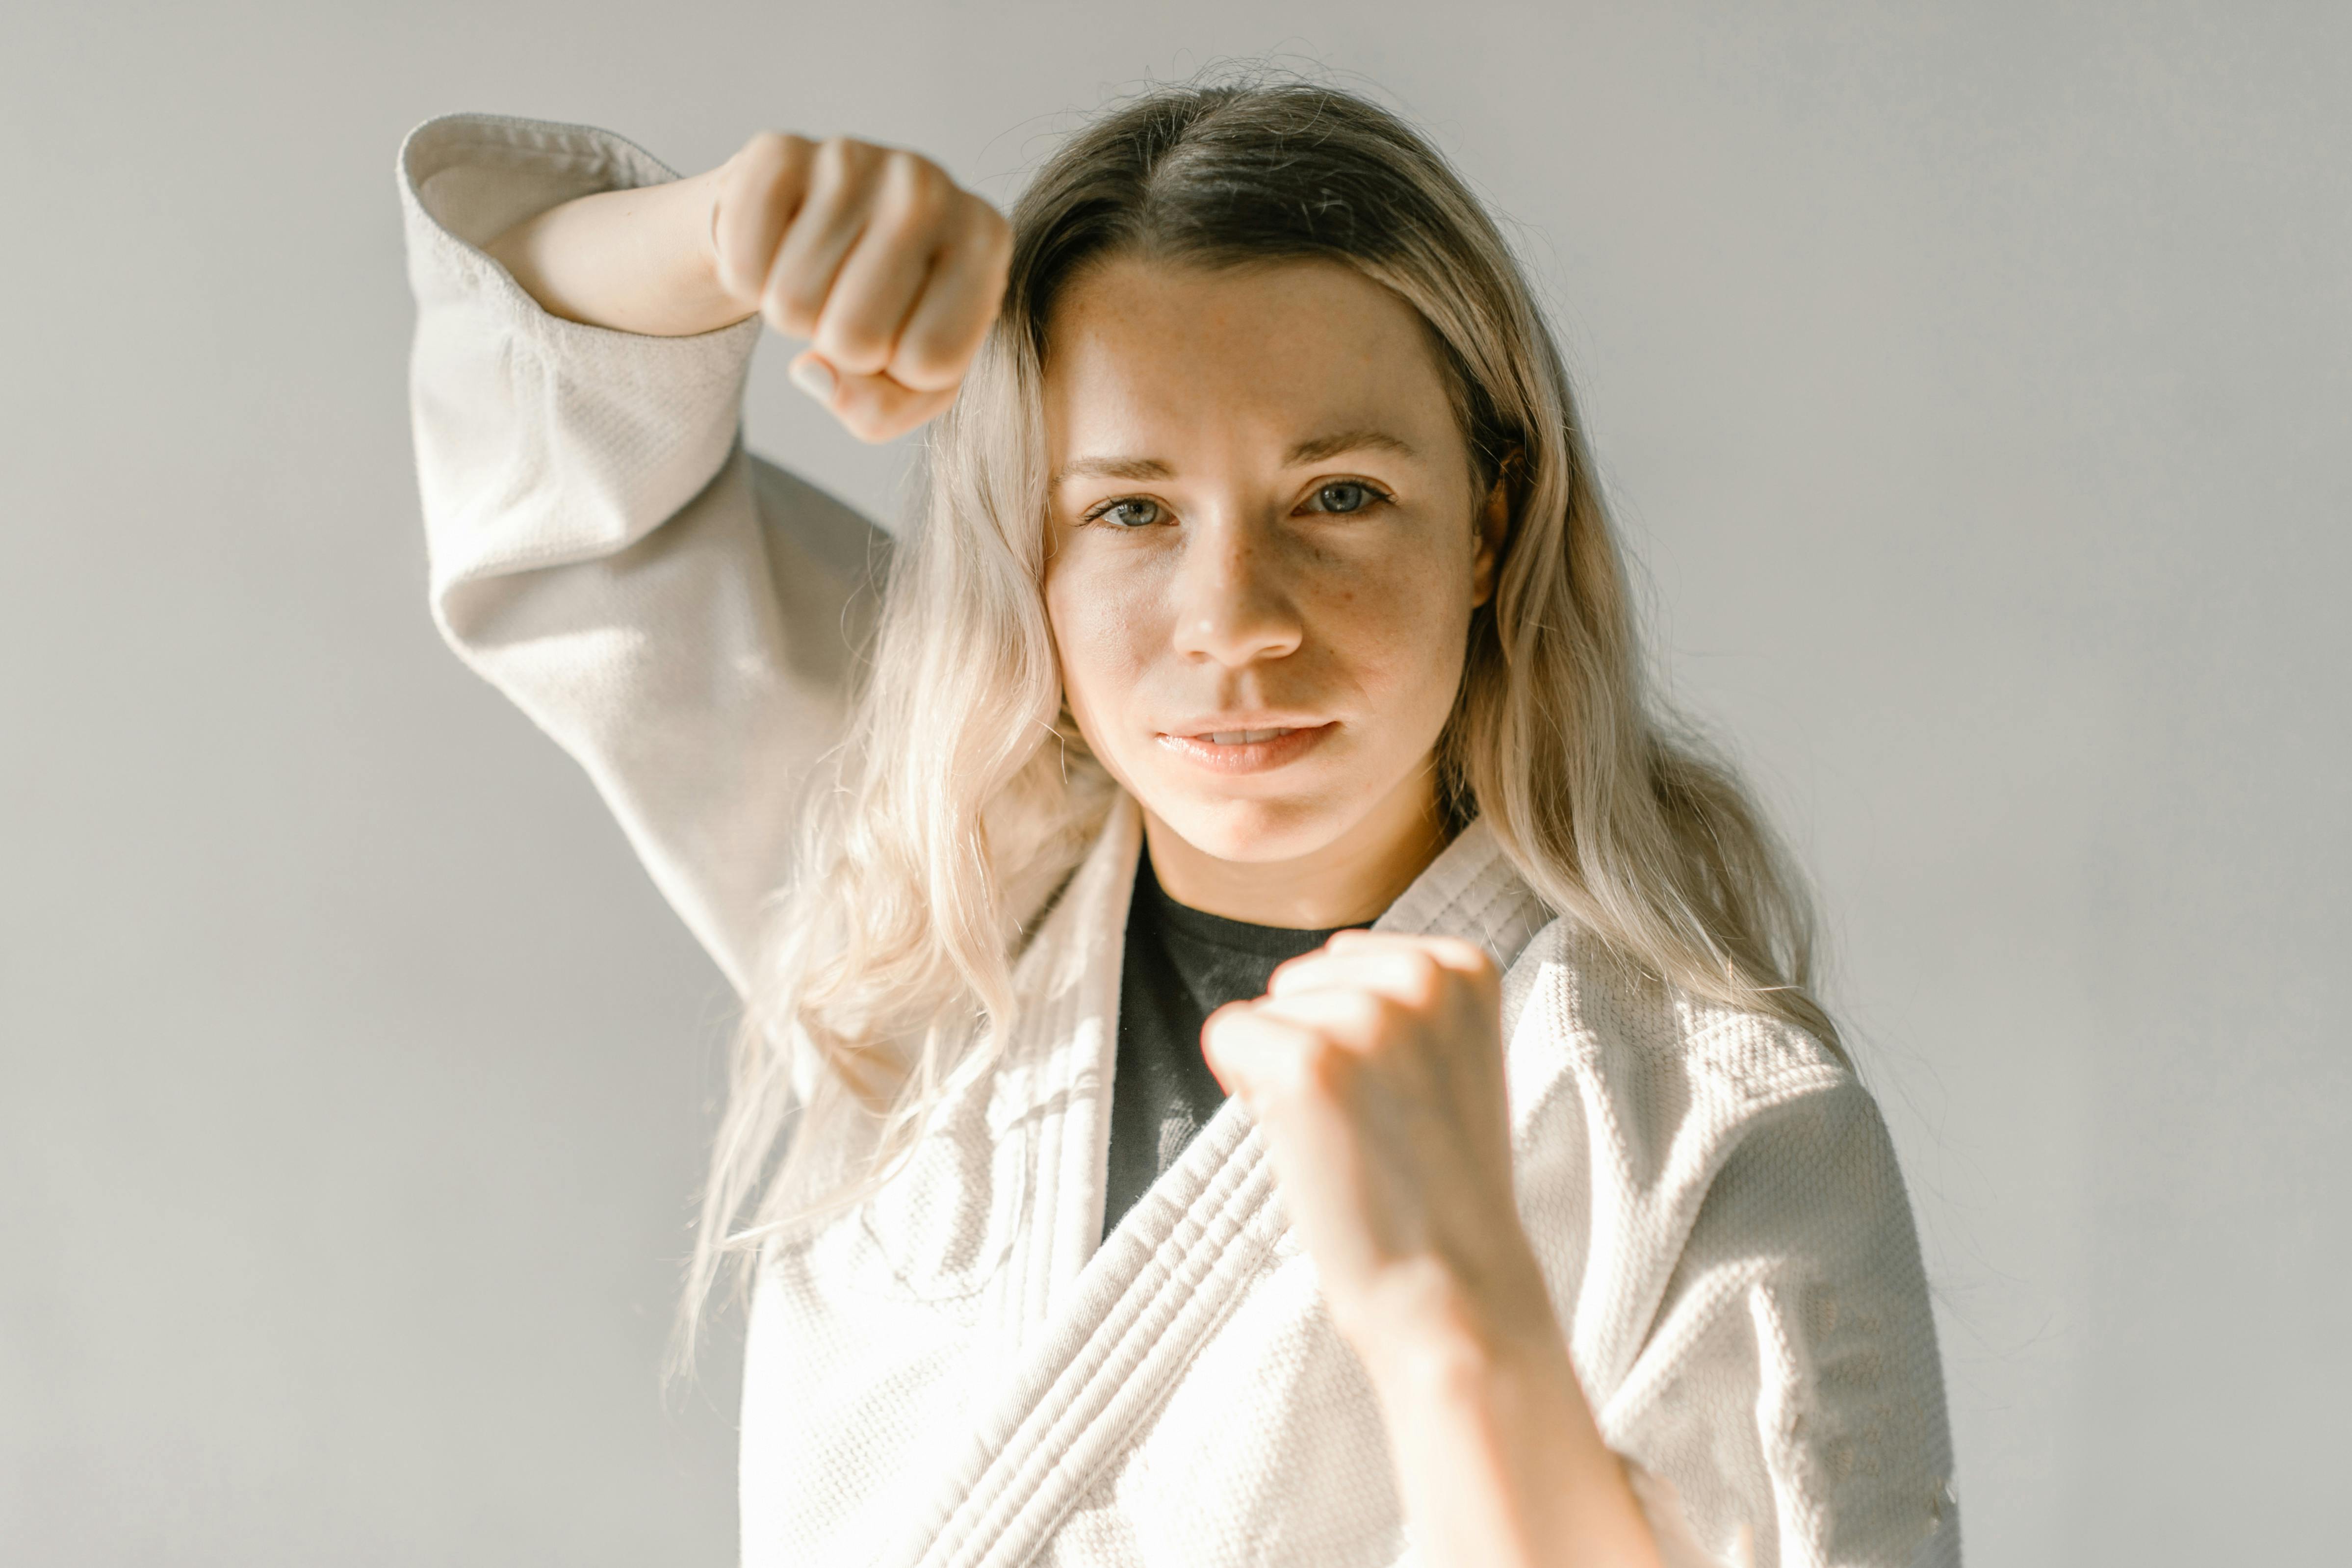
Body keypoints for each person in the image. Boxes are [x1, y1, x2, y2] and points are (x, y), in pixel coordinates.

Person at [395, 76, 1957, 1568]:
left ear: (1489, 524)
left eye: (1337, 495)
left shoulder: (1710, 1125)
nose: (1234, 622)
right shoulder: (929, 883)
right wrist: (730, 226)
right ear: (1035, 549)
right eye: (1130, 511)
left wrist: (1453, 1308)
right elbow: (565, 507)